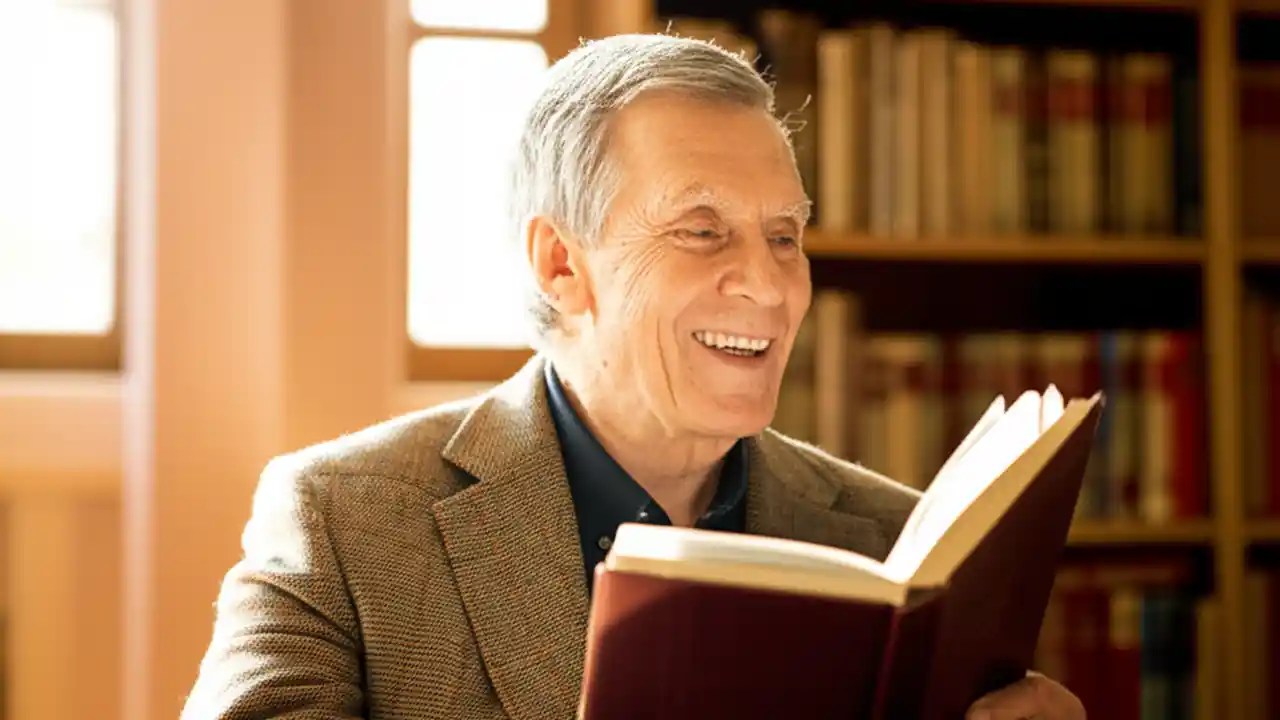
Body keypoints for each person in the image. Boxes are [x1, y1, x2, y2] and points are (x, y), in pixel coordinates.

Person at [182, 33, 1086, 720]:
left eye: (785, 235)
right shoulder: (343, 521)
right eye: (701, 230)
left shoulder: (899, 546)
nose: (769, 286)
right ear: (561, 265)